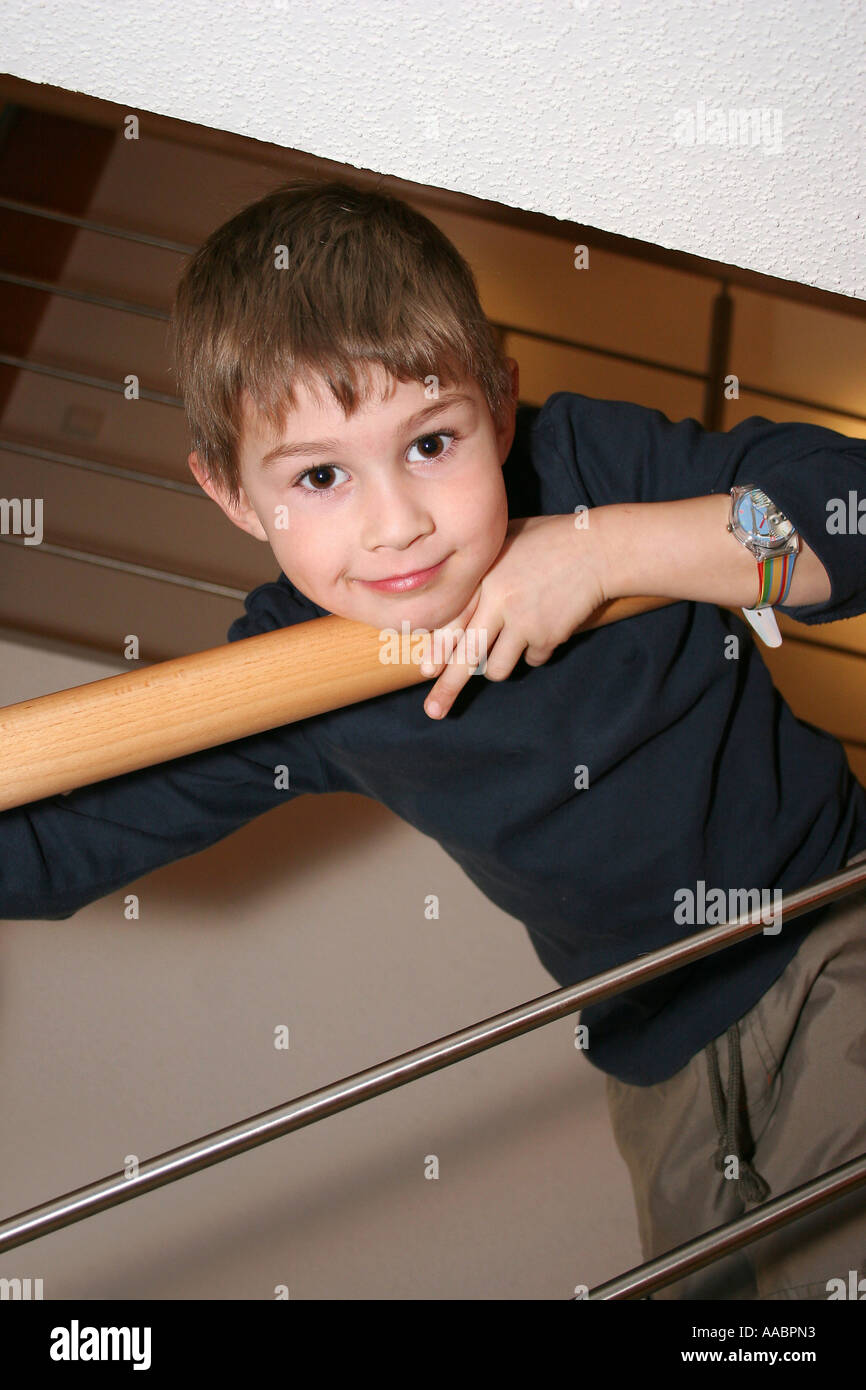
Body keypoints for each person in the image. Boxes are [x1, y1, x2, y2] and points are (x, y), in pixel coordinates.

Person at [3, 179, 865, 1299]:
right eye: (319, 475)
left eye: (431, 442)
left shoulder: (590, 467)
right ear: (230, 495)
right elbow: (78, 835)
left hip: (825, 923)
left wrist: (609, 553)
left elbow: (845, 508)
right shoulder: (291, 671)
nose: (395, 521)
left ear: (499, 408)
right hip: (649, 1043)